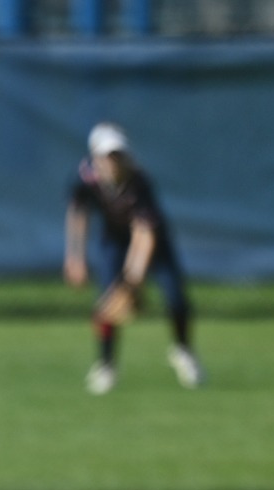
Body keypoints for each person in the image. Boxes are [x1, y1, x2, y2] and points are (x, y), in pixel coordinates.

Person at [63, 122, 203, 395]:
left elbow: (144, 233)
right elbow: (78, 213)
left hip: (155, 245)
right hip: (114, 241)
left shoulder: (139, 182)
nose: (113, 162)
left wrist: (132, 279)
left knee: (176, 297)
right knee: (107, 301)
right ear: (95, 157)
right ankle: (106, 365)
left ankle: (183, 351)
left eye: (118, 155)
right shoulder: (86, 178)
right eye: (107, 156)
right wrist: (75, 257)